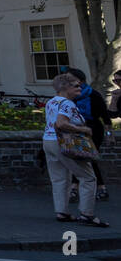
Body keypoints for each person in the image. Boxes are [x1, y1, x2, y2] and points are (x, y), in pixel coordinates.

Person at [43, 71, 106, 226]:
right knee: (88, 177)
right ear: (66, 88)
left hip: (48, 141)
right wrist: (83, 130)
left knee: (59, 178)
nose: (80, 88)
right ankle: (87, 214)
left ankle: (62, 212)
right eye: (76, 86)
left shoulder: (51, 102)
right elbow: (61, 123)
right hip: (65, 143)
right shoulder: (67, 103)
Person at [65, 66, 109, 201]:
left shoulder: (93, 94)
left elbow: (104, 115)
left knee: (88, 158)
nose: (68, 81)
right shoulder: (68, 95)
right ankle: (76, 187)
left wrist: (109, 132)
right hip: (75, 128)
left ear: (80, 80)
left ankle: (100, 187)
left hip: (93, 128)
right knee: (77, 157)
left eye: (71, 79)